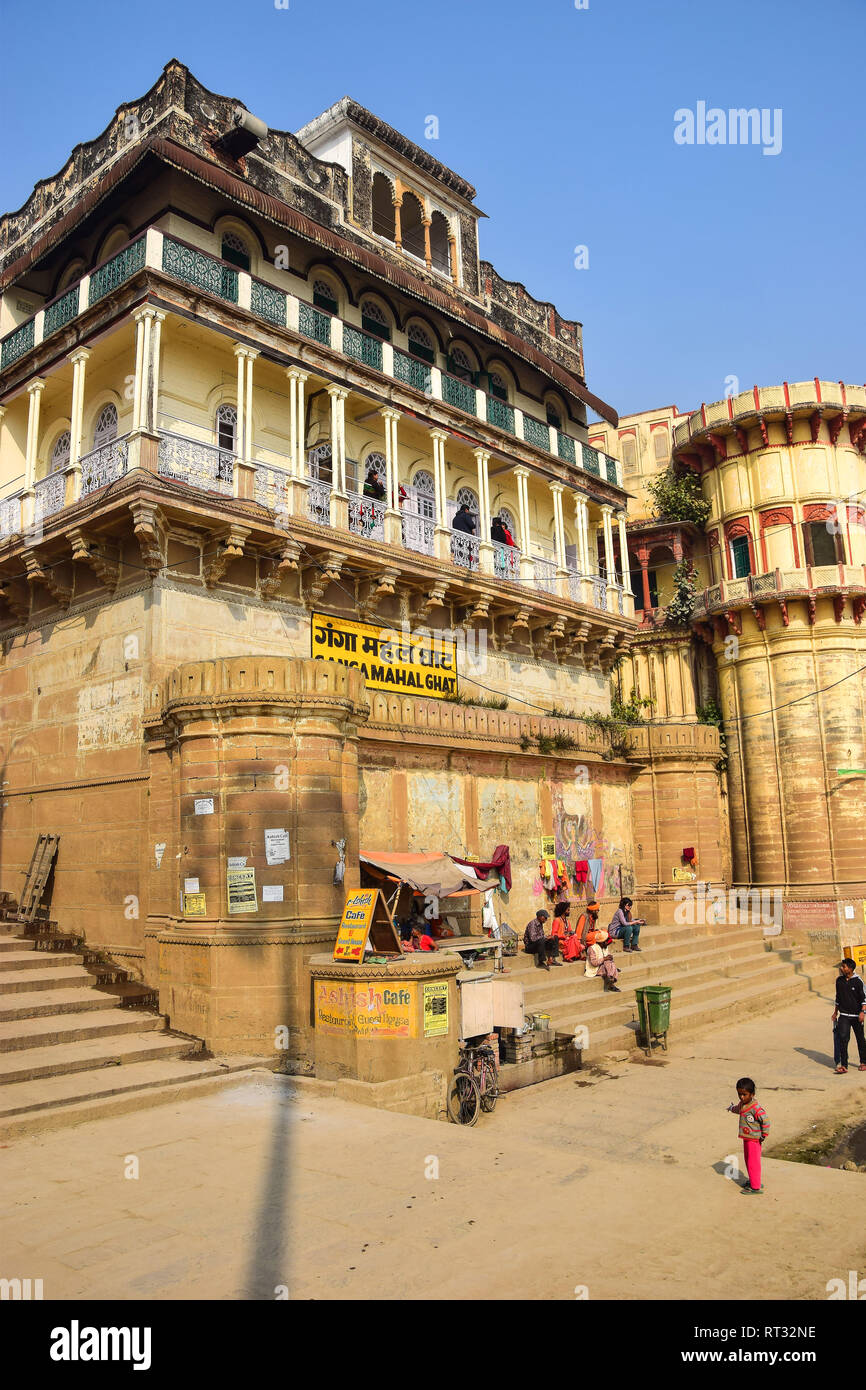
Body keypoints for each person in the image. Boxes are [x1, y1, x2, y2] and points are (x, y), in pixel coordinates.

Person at [727, 1077, 769, 1194]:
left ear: (752, 1094)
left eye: (744, 1094)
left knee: (753, 1162)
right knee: (748, 1160)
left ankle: (755, 1187)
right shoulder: (743, 1104)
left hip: (754, 1140)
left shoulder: (756, 1108)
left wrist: (763, 1135)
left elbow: (766, 1121)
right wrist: (731, 1108)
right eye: (739, 1094)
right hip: (747, 1138)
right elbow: (738, 1109)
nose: (741, 1097)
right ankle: (753, 1181)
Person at [831, 957, 866, 1074]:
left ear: (850, 969)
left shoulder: (858, 981)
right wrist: (835, 1012)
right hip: (844, 1015)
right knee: (843, 1039)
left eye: (844, 966)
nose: (841, 968)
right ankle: (844, 1065)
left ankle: (863, 1062)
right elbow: (838, 998)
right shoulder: (839, 981)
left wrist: (863, 1012)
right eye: (842, 966)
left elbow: (864, 999)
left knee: (860, 1039)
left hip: (857, 1016)